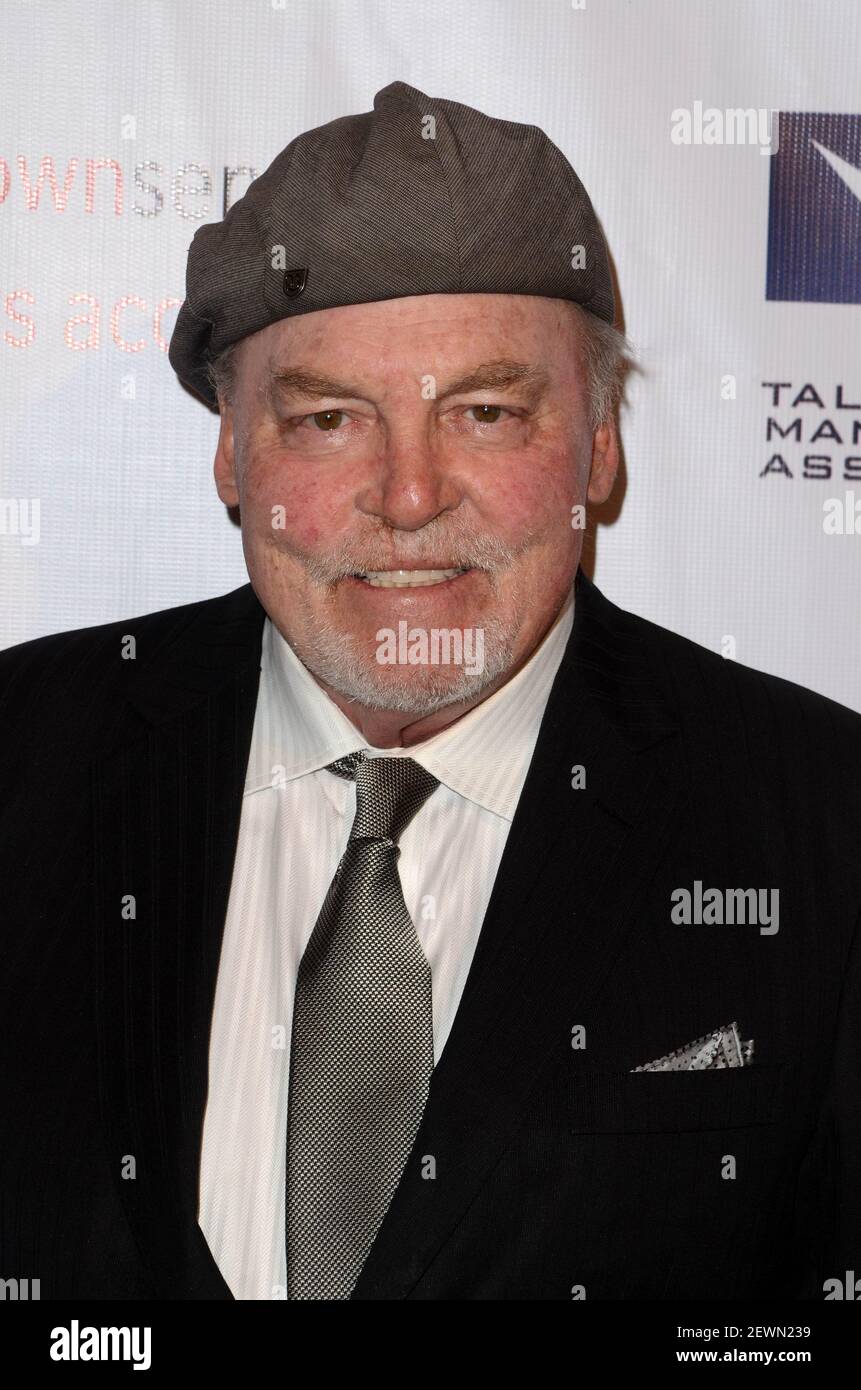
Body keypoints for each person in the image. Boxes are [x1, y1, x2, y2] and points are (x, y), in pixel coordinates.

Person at [1, 80, 859, 1302]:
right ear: (232, 454)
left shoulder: (823, 826)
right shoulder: (23, 762)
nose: (410, 498)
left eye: (488, 412)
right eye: (332, 419)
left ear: (601, 445)